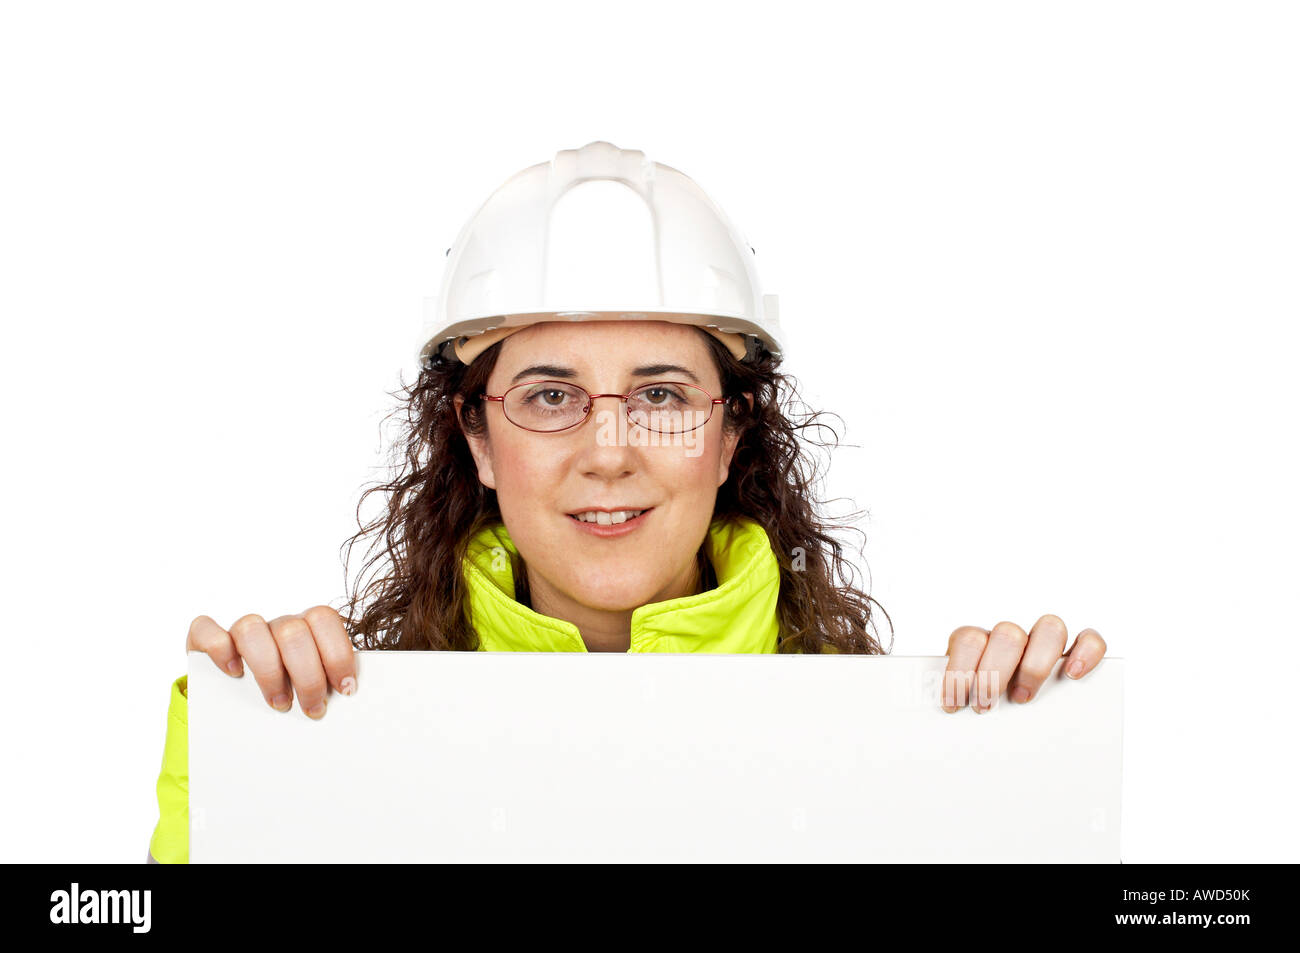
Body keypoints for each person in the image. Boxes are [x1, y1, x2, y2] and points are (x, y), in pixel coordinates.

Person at [148, 141, 1107, 863]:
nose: (609, 453)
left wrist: (1028, 751)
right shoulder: (323, 734)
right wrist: (255, 762)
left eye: (660, 396)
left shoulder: (904, 748)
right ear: (478, 439)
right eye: (550, 397)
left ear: (732, 435)